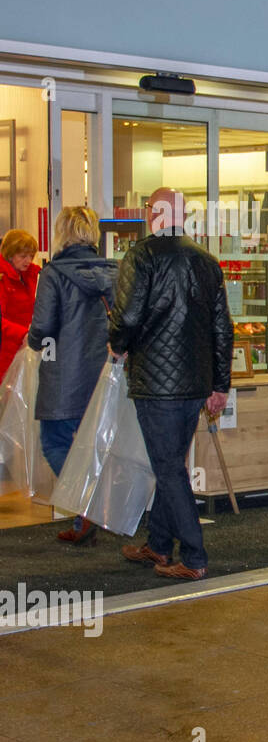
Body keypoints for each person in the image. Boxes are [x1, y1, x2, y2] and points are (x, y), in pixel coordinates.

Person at [108, 187, 232, 581]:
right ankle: (159, 545)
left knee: (168, 468)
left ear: (154, 212)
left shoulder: (141, 255)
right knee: (172, 465)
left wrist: (117, 347)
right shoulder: (207, 262)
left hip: (156, 384)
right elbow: (222, 329)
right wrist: (219, 384)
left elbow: (126, 317)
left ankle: (194, 557)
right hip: (194, 384)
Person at [25, 206, 117, 543]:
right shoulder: (114, 272)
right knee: (92, 443)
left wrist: (36, 343)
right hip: (104, 374)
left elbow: (45, 329)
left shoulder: (54, 275)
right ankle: (84, 520)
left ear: (63, 232)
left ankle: (85, 505)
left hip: (63, 373)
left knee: (54, 441)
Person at [0, 229, 41, 380]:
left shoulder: (29, 275)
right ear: (10, 254)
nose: (28, 260)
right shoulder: (3, 280)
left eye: (31, 256)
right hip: (6, 350)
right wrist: (22, 333)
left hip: (22, 348)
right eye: (23, 256)